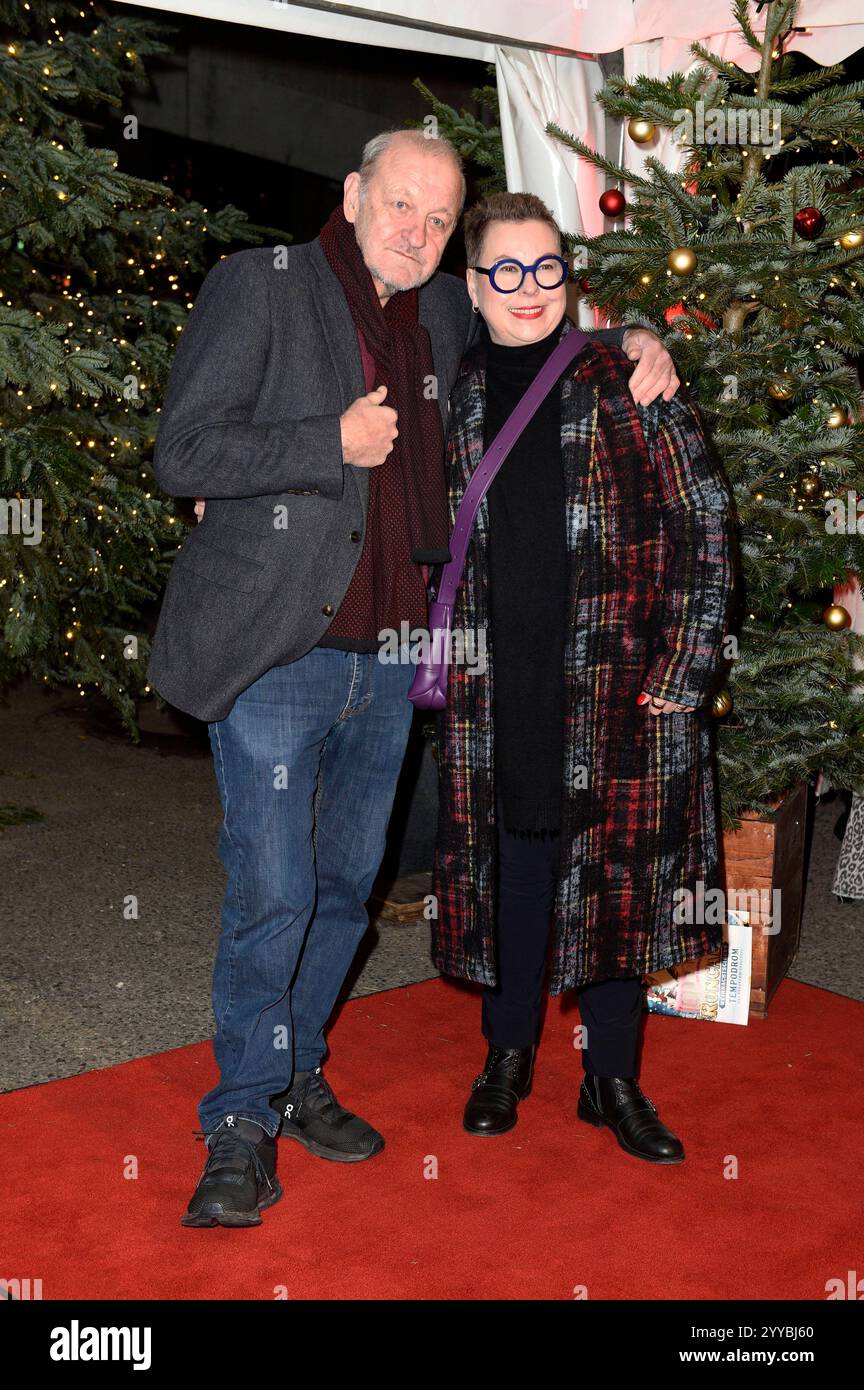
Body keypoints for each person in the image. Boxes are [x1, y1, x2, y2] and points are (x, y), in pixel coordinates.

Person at [147, 129, 682, 1228]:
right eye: (401, 205)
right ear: (352, 194)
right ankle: (240, 1119)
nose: (417, 231)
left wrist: (635, 334)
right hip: (276, 658)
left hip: (392, 669)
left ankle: (296, 1073)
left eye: (438, 220)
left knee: (347, 890)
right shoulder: (260, 285)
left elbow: (542, 343)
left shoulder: (442, 312)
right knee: (275, 892)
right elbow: (184, 453)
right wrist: (321, 440)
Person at [431, 190, 737, 1162]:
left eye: (547, 268)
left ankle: (611, 1078)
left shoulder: (624, 375)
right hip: (501, 689)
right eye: (506, 271)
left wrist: (686, 670)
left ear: (570, 277)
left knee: (620, 881)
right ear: (475, 284)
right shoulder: (457, 387)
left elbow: (709, 526)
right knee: (514, 866)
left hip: (620, 685)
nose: (528, 289)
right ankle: (508, 1055)